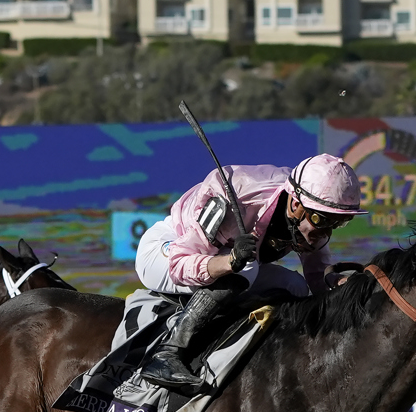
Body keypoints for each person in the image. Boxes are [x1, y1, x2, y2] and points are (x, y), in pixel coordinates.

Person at [136, 154, 367, 393]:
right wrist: (230, 262)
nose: (326, 231)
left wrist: (338, 284)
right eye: (323, 220)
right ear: (296, 206)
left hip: (223, 262)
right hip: (165, 251)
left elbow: (317, 277)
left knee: (295, 285)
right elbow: (179, 264)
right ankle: (168, 352)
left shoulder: (307, 206)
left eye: (338, 223)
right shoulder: (235, 200)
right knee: (247, 267)